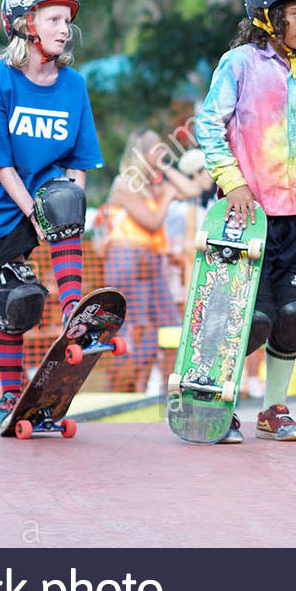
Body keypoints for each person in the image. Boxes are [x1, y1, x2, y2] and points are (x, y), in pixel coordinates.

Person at [195, 0, 296, 443]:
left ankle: (273, 410)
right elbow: (208, 126)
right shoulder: (238, 65)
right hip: (246, 216)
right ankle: (220, 404)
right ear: (266, 16)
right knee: (248, 319)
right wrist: (231, 183)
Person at [0, 0, 104, 431]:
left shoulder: (73, 86)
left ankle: (72, 311)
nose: (64, 29)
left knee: (67, 199)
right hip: (2, 205)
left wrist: (68, 216)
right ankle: (10, 394)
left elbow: (79, 163)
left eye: (66, 20)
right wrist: (33, 214)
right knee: (21, 300)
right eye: (53, 19)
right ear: (26, 25)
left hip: (47, 187)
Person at [99, 129, 202, 393]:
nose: (163, 152)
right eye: (157, 148)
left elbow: (195, 187)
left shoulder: (152, 183)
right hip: (127, 258)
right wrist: (167, 196)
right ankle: (124, 386)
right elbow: (152, 221)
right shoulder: (125, 184)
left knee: (167, 323)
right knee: (137, 327)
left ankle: (154, 388)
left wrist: (166, 170)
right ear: (142, 154)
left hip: (151, 259)